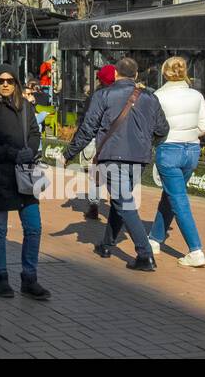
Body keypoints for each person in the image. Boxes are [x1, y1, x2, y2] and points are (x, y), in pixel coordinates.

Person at [63, 56, 169, 272]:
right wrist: (145, 138)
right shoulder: (150, 97)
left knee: (124, 204)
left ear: (115, 74)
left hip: (113, 156)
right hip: (139, 158)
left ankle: (145, 254)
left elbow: (88, 128)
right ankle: (106, 244)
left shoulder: (103, 95)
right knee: (121, 201)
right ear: (136, 75)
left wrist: (69, 154)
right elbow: (162, 129)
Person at [0, 65, 50, 300]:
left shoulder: (25, 106)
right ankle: (1, 277)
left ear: (17, 83)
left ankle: (29, 278)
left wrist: (30, 149)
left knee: (34, 227)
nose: (5, 84)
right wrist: (11, 153)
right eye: (0, 81)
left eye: (10, 80)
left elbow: (35, 133)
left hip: (24, 176)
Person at [151, 56, 205, 268]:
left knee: (178, 200)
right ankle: (155, 239)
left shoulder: (158, 96)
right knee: (171, 195)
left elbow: (153, 128)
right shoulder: (196, 95)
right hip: (192, 150)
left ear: (164, 73)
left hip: (169, 149)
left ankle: (196, 250)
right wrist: (189, 133)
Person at [75, 64, 117, 220]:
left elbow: (86, 119)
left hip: (96, 138)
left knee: (95, 173)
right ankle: (116, 202)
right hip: (115, 139)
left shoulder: (96, 95)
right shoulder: (123, 95)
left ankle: (94, 205)